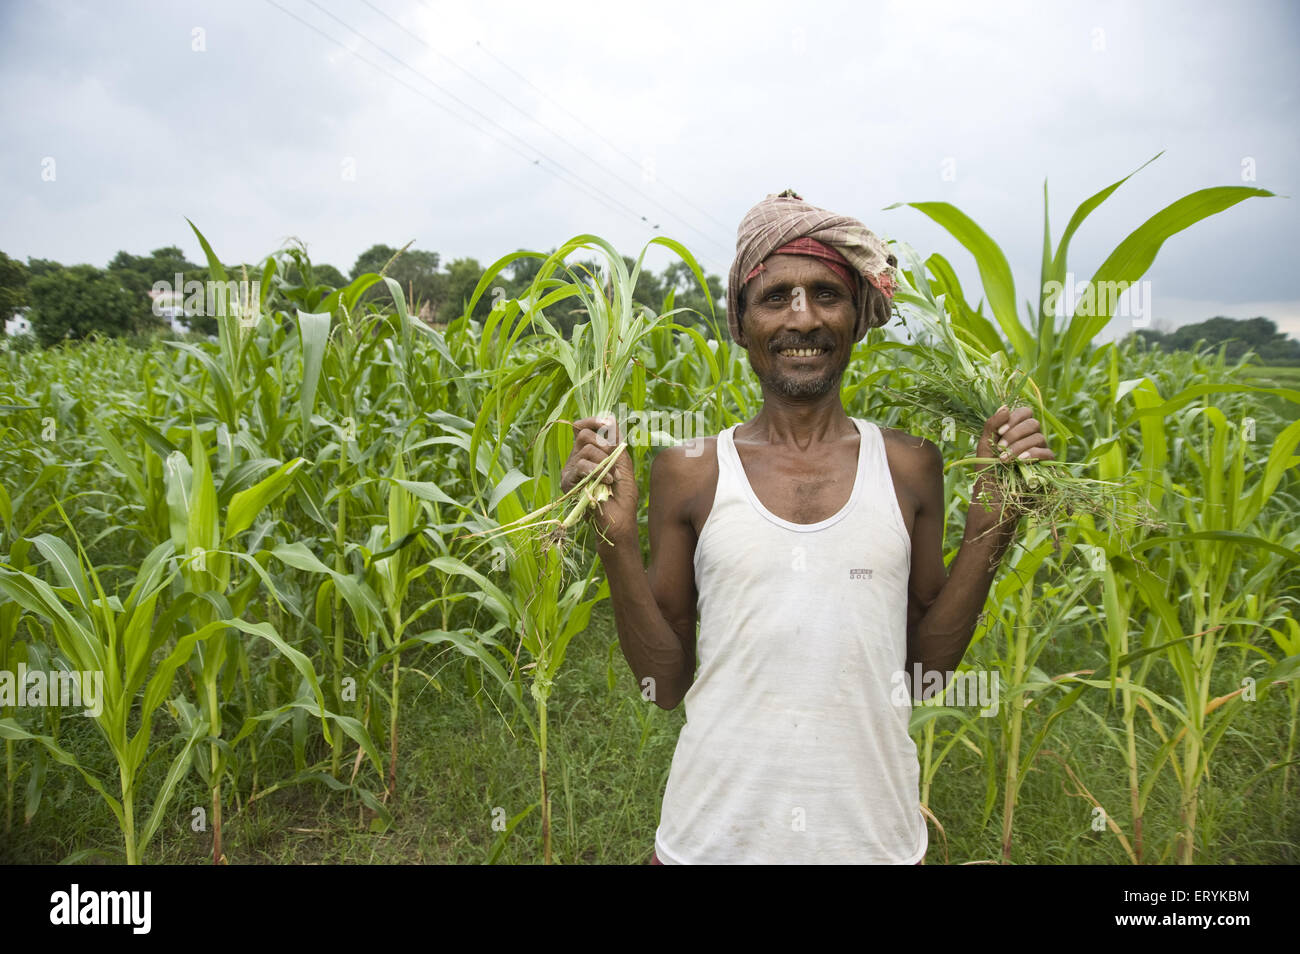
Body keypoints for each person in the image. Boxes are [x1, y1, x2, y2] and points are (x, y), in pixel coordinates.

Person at [560, 189, 1054, 864]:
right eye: (775, 297)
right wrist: (612, 542)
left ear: (856, 317)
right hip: (711, 840)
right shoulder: (692, 471)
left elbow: (923, 676)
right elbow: (664, 685)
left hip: (871, 840)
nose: (802, 318)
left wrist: (990, 533)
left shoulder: (910, 467)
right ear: (741, 321)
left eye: (826, 294)